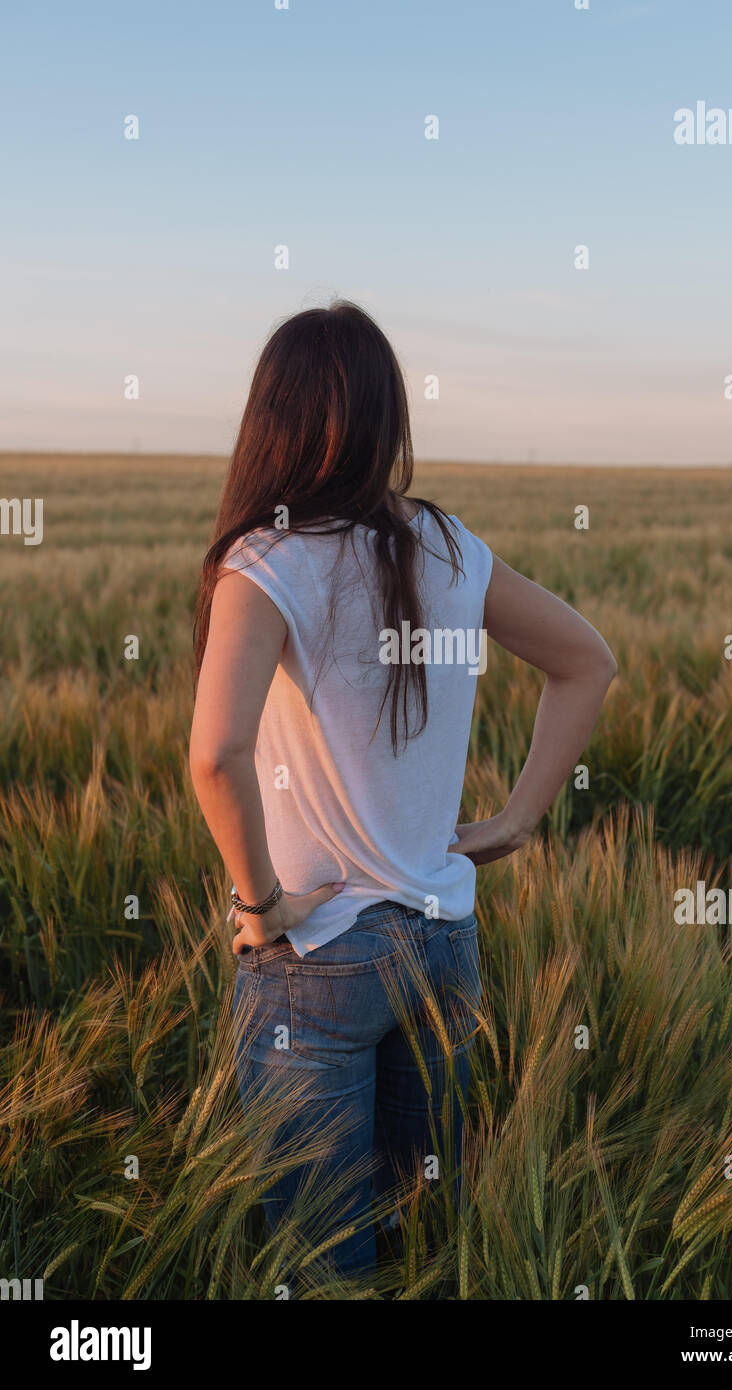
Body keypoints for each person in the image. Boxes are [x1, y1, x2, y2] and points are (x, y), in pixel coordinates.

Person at [189, 300, 617, 1282]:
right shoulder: (450, 546)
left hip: (318, 955)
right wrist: (512, 821)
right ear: (388, 419)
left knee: (323, 1261)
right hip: (441, 940)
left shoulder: (263, 560)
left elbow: (215, 755)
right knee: (426, 1232)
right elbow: (586, 662)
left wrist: (259, 905)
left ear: (273, 418)